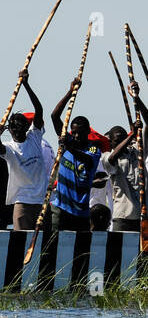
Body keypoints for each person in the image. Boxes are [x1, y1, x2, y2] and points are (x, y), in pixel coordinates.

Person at [48, 76, 108, 231]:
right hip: (60, 207)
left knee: (79, 250)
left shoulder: (93, 149)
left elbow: (86, 160)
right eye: (73, 132)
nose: (75, 136)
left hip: (80, 211)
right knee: (53, 247)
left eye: (79, 133)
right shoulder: (69, 141)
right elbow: (54, 116)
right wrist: (70, 91)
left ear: (87, 132)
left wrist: (68, 146)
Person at [0, 71, 48, 231]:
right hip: (23, 202)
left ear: (27, 127)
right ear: (9, 129)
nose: (17, 130)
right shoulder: (10, 147)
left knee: (44, 241)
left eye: (21, 126)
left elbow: (39, 110)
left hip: (41, 201)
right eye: (13, 127)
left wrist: (26, 84)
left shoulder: (34, 137)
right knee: (21, 243)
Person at [102, 123, 142, 234]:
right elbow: (113, 157)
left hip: (142, 215)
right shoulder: (106, 157)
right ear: (110, 142)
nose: (122, 143)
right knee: (120, 250)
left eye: (123, 139)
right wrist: (132, 135)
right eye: (117, 141)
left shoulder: (137, 151)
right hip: (123, 216)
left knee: (142, 251)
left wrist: (138, 104)